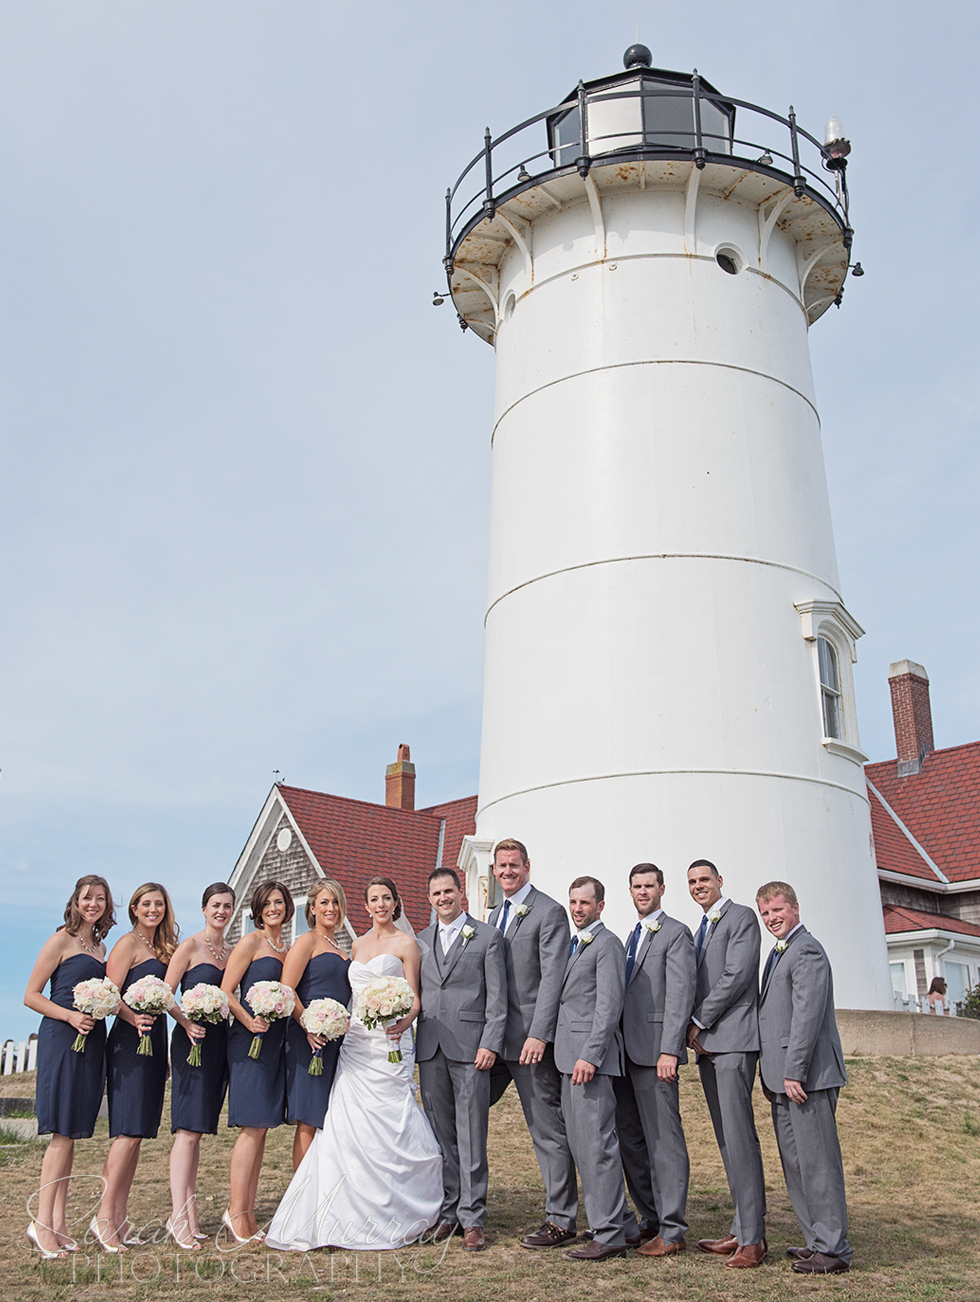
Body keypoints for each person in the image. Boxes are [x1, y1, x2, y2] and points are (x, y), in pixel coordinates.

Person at [265, 876, 443, 1252]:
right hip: (357, 1040)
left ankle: (398, 1203)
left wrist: (403, 1021)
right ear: (365, 906)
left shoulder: (407, 944)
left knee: (393, 1114)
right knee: (346, 1121)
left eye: (386, 899)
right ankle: (340, 1208)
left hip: (390, 1040)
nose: (380, 905)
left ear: (396, 903)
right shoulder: (356, 944)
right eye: (373, 899)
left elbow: (415, 997)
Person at [486, 838, 577, 1250]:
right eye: (501, 865)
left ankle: (561, 1220)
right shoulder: (492, 916)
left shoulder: (549, 911)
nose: (508, 871)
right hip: (493, 1040)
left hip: (529, 1042)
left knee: (545, 1128)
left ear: (527, 867)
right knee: (462, 1113)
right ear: (493, 869)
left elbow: (553, 978)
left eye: (514, 865)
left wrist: (540, 1034)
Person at [756, 881, 852, 1275]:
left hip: (806, 1078)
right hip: (783, 1079)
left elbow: (807, 1017)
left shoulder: (807, 949)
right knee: (796, 1163)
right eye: (765, 914)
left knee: (818, 1164)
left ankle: (833, 1248)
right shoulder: (781, 952)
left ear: (796, 908)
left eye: (777, 910)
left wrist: (794, 1071)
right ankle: (816, 1240)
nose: (771, 919)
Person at [23, 875, 116, 1258]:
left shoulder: (100, 946)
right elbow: (30, 995)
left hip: (90, 1040)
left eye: (100, 898)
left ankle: (58, 1223)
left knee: (72, 1134)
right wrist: (69, 1017)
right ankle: (41, 1225)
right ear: (76, 902)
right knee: (60, 1134)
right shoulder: (60, 940)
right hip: (63, 1037)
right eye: (87, 898)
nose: (93, 903)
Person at [417, 867, 507, 1253]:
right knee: (442, 1135)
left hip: (472, 1049)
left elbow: (498, 998)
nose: (443, 898)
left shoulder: (487, 937)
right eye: (436, 893)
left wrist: (490, 1042)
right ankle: (450, 1211)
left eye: (449, 891)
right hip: (430, 1047)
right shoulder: (419, 941)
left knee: (471, 1134)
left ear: (461, 893)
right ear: (429, 899)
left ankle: (473, 1218)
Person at [686, 859, 767, 1268]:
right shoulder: (700, 928)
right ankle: (739, 1226)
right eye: (692, 882)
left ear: (720, 881)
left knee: (740, 1136)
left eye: (705, 880)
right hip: (706, 1047)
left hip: (732, 1040)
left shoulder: (742, 918)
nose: (699, 886)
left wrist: (698, 1020)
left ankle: (754, 1239)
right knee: (724, 1138)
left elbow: (736, 975)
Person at [96, 882, 182, 1252]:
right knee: (127, 1132)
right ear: (134, 908)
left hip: (154, 1041)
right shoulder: (127, 944)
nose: (153, 909)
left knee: (139, 1135)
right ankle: (103, 1218)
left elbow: (166, 998)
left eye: (159, 904)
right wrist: (133, 1019)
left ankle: (120, 1217)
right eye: (146, 904)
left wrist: (164, 1049)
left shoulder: (162, 948)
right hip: (129, 1042)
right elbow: (108, 993)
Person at [616, 863, 696, 1259]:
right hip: (625, 1056)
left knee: (664, 1141)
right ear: (629, 891)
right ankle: (650, 1217)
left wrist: (670, 1049)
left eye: (649, 886)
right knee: (631, 1141)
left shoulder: (676, 933)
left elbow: (680, 994)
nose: (643, 892)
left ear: (662, 889)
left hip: (656, 1054)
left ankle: (673, 1227)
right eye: (636, 887)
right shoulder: (630, 934)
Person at [557, 876, 630, 1263]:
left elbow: (608, 1007)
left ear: (600, 905)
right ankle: (619, 1221)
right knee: (583, 1145)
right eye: (573, 902)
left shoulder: (608, 945)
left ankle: (609, 1234)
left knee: (598, 1146)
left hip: (590, 1062)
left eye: (585, 903)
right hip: (566, 1058)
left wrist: (591, 1054)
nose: (578, 909)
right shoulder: (573, 944)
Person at [164, 882, 235, 1249]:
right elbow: (165, 992)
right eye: (215, 905)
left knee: (199, 1132)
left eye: (226, 906)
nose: (221, 911)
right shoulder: (190, 946)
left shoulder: (232, 950)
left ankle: (189, 1214)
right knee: (187, 1131)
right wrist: (186, 1022)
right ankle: (177, 1217)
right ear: (204, 909)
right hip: (192, 1041)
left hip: (220, 1043)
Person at [221, 880, 293, 1244]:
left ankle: (247, 1213)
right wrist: (249, 1020)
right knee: (251, 1126)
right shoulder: (251, 942)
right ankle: (236, 1213)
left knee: (262, 1127)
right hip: (249, 1038)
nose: (274, 908)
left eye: (279, 902)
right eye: (268, 904)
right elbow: (226, 990)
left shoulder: (289, 947)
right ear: (258, 910)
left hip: (276, 1043)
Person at [282, 880, 352, 1168]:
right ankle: (301, 1200)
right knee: (308, 1119)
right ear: (312, 908)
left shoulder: (343, 948)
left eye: (335, 902)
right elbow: (287, 989)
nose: (330, 908)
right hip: (309, 1041)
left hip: (336, 1042)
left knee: (326, 1119)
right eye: (324, 902)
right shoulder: (306, 941)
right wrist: (308, 1026)